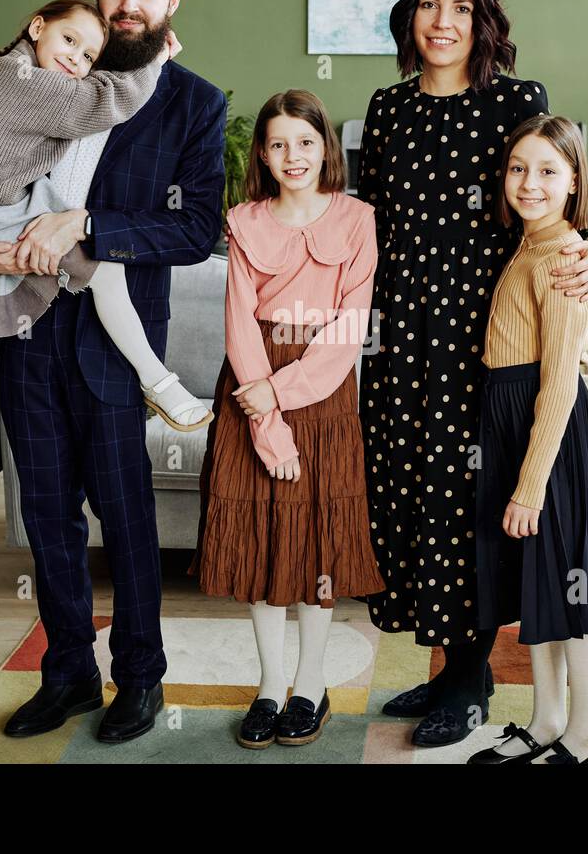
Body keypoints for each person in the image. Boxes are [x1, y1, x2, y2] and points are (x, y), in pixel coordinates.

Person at [0, 0, 226, 744]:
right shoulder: (50, 77)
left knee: (126, 516)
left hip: (113, 345)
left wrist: (90, 224)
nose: (126, 2)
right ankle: (67, 673)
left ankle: (141, 679)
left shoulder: (194, 104)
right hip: (25, 333)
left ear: (172, 5)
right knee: (46, 514)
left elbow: (196, 227)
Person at [357, 0, 588, 747]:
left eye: (461, 9)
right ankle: (444, 669)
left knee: (459, 506)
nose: (443, 23)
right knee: (405, 500)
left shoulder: (515, 99)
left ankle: (470, 680)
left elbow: (558, 189)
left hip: (480, 342)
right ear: (409, 14)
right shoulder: (387, 108)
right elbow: (367, 226)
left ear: (483, 21)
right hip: (398, 338)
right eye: (430, 6)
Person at [190, 90, 386, 749]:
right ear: (264, 157)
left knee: (317, 542)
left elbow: (349, 328)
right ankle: (270, 686)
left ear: (325, 147)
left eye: (304, 141)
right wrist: (263, 420)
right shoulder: (243, 220)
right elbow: (239, 321)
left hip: (321, 391)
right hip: (250, 385)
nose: (292, 156)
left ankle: (311, 685)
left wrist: (281, 394)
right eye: (277, 144)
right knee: (261, 542)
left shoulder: (359, 218)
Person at [0, 0, 210, 431]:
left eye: (87, 56)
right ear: (38, 27)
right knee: (105, 272)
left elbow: (197, 230)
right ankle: (158, 381)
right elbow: (103, 102)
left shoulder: (17, 66)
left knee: (101, 267)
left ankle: (157, 380)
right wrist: (155, 61)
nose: (74, 58)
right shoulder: (22, 79)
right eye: (68, 39)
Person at [466, 114, 588, 766]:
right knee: (541, 591)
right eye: (518, 168)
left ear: (573, 181)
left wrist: (531, 483)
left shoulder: (564, 255)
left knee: (576, 594)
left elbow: (562, 381)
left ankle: (586, 735)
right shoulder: (530, 243)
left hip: (552, 437)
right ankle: (546, 722)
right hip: (515, 425)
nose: (529, 182)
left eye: (547, 170)